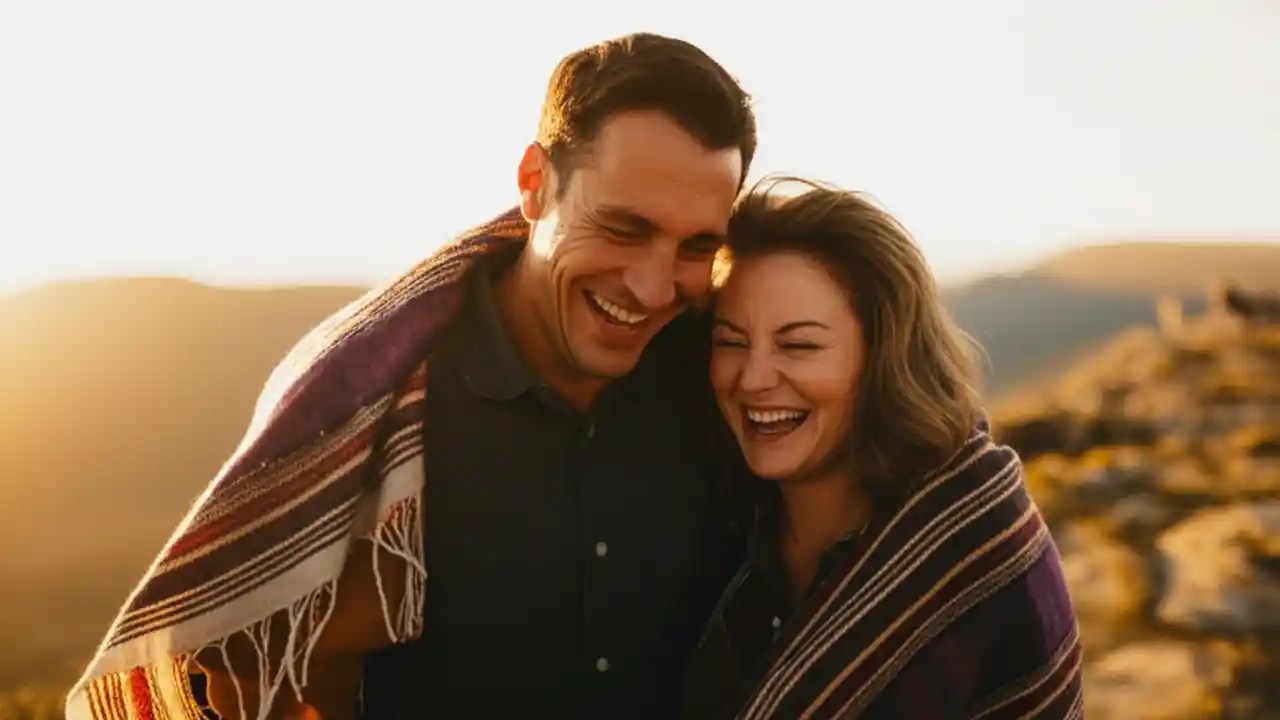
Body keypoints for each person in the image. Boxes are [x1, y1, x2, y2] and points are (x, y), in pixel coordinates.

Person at [67, 32, 756, 720]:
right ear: (534, 185)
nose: (653, 286)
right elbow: (254, 675)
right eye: (623, 228)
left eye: (696, 246)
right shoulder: (372, 410)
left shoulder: (727, 378)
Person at [681, 178, 1082, 719]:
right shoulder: (726, 516)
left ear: (883, 361)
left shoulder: (972, 555)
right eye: (730, 342)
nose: (752, 379)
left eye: (799, 346)